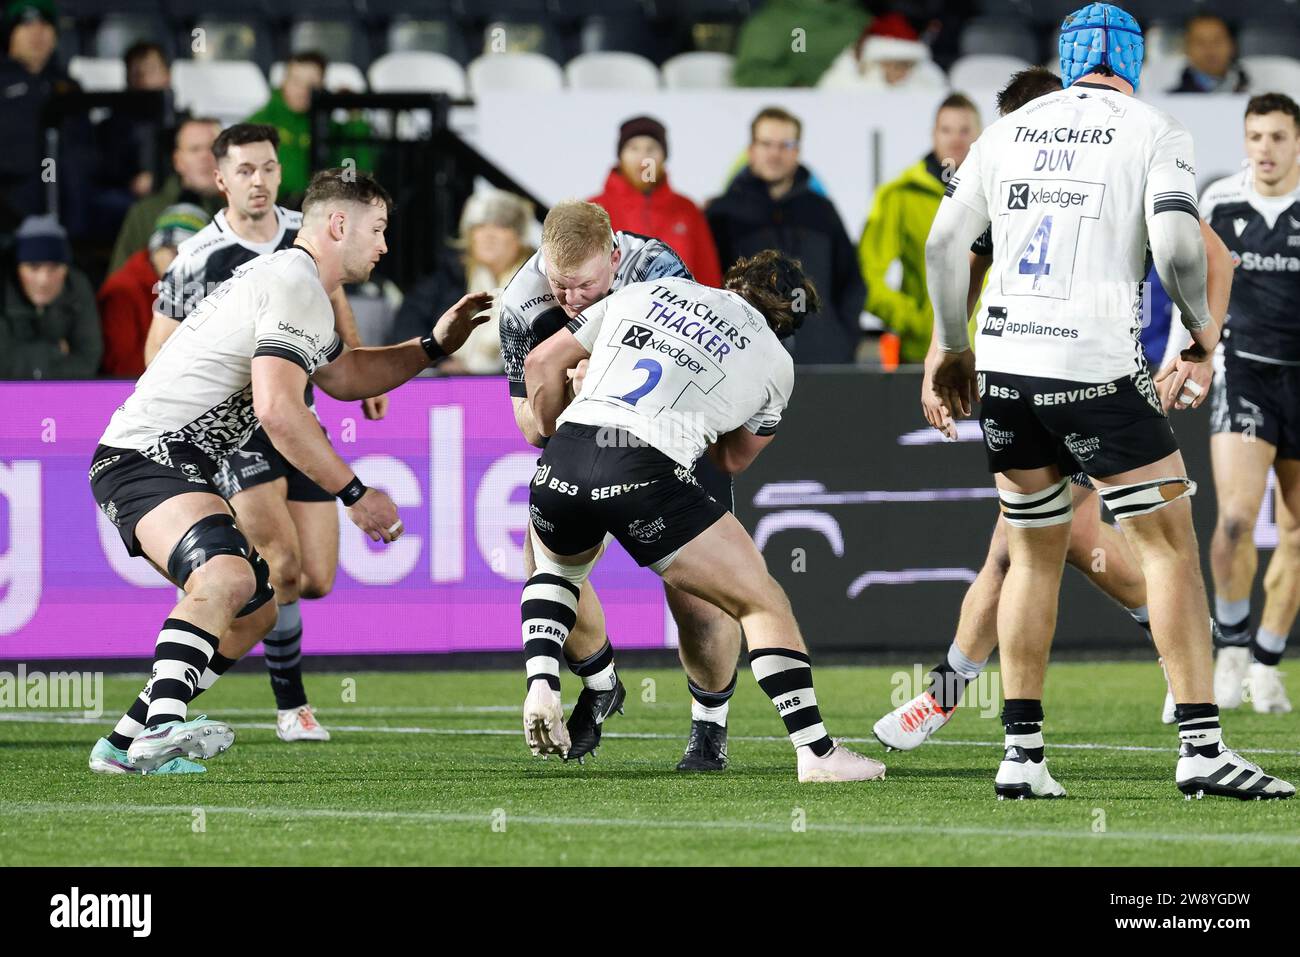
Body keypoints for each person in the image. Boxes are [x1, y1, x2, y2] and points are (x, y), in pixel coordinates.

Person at [924, 3, 1291, 800]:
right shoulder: (1152, 128)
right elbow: (1181, 243)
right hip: (1091, 364)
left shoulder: (1009, 128)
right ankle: (1201, 748)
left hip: (1007, 365)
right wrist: (1198, 333)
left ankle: (1022, 756)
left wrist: (952, 344)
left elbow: (945, 244)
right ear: (1131, 61)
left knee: (1032, 551)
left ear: (1065, 58)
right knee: (1167, 548)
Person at [875, 66, 1237, 751]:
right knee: (1041, 543)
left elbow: (1212, 255)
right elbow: (965, 266)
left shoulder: (1121, 157)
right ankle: (1170, 654)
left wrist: (1189, 345)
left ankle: (951, 701)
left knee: (1037, 545)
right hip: (1043, 372)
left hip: (1109, 374)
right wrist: (938, 356)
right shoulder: (1021, 184)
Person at [87, 168, 491, 774]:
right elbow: (279, 410)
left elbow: (344, 377)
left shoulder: (293, 283)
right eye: (377, 229)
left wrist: (433, 346)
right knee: (224, 578)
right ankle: (163, 731)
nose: (384, 245)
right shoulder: (293, 282)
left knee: (257, 609)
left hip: (168, 459)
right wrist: (353, 493)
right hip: (147, 455)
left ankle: (124, 740)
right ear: (337, 224)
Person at [521, 251, 884, 783]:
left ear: (730, 281)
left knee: (556, 573)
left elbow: (542, 360)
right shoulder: (776, 361)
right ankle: (817, 753)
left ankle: (541, 681)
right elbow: (731, 459)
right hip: (645, 470)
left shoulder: (644, 291)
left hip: (565, 455)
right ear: (788, 321)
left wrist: (559, 431)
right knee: (760, 601)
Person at [145, 123, 388, 742]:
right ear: (220, 179)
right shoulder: (199, 256)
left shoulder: (305, 235)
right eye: (246, 170)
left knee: (315, 577)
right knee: (277, 564)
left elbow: (333, 302)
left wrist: (360, 366)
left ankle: (170, 693)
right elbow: (159, 349)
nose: (260, 181)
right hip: (242, 430)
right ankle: (291, 708)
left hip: (297, 417)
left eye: (270, 168)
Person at [500, 201, 741, 771]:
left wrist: (604, 378)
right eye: (559, 287)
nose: (571, 300)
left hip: (670, 439)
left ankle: (710, 728)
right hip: (584, 443)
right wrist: (566, 396)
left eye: (583, 286)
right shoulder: (519, 299)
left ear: (614, 258)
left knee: (698, 601)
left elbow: (692, 377)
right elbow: (530, 427)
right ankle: (602, 683)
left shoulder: (657, 267)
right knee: (544, 566)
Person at [1168, 93, 1300, 715]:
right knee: (1235, 521)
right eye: (1256, 137)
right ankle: (1232, 648)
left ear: (1296, 141)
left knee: (1298, 535)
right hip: (1245, 374)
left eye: (1277, 137)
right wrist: (1184, 356)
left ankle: (1269, 663)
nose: (1266, 149)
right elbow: (1187, 287)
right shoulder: (1220, 201)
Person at [707, 107, 865, 364]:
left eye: (785, 145)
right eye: (766, 143)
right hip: (746, 362)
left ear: (797, 151)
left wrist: (843, 340)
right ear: (752, 150)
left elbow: (851, 282)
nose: (775, 154)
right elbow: (709, 285)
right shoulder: (723, 212)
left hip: (823, 361)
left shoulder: (822, 210)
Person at [858, 93, 980, 365]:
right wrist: (917, 321)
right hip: (922, 354)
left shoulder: (999, 190)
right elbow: (866, 274)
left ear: (980, 133)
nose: (955, 138)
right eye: (946, 129)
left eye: (965, 130)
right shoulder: (900, 195)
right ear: (933, 134)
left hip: (990, 353)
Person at [390, 188, 535, 373]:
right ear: (469, 235)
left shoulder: (539, 281)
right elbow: (408, 325)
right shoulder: (449, 277)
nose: (488, 234)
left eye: (500, 225)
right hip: (449, 385)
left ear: (519, 236)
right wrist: (440, 362)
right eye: (480, 226)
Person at [588, 116, 722, 287]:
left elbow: (708, 278)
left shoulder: (687, 210)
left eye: (651, 149)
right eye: (633, 148)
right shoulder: (593, 211)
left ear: (664, 156)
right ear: (620, 155)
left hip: (678, 312)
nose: (643, 158)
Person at [245, 51, 372, 204]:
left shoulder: (332, 128)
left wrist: (355, 116)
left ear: (322, 86)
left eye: (312, 85)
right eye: (296, 81)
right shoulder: (258, 123)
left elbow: (358, 174)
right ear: (284, 81)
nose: (303, 90)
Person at [98, 204, 209, 378]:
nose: (182, 262)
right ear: (156, 249)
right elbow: (122, 366)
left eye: (193, 255)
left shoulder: (208, 287)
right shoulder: (123, 291)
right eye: (175, 251)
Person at [109, 117, 224, 273]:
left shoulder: (248, 207)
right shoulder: (144, 212)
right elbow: (121, 286)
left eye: (213, 148)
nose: (205, 157)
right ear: (177, 161)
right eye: (195, 149)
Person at [0, 0, 79, 227]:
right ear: (10, 34)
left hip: (69, 204)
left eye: (45, 25)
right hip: (11, 203)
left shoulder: (69, 87)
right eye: (26, 24)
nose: (37, 32)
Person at [0, 214, 101, 378]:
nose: (43, 280)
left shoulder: (77, 286)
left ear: (66, 268)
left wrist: (27, 360)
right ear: (18, 268)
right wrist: (54, 350)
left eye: (54, 268)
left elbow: (88, 359)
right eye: (33, 267)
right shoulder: (4, 290)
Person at [731, 0, 870, 89]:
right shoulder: (773, 21)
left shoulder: (860, 17)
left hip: (867, 105)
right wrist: (793, 85)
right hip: (800, 113)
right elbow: (749, 74)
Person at [818, 12, 945, 92]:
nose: (904, 71)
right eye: (898, 65)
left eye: (909, 65)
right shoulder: (848, 86)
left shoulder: (923, 86)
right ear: (879, 63)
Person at [1168, 14, 1249, 94]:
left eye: (1217, 40)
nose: (1209, 49)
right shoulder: (1168, 101)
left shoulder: (1254, 95)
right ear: (1186, 48)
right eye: (1200, 42)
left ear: (1233, 45)